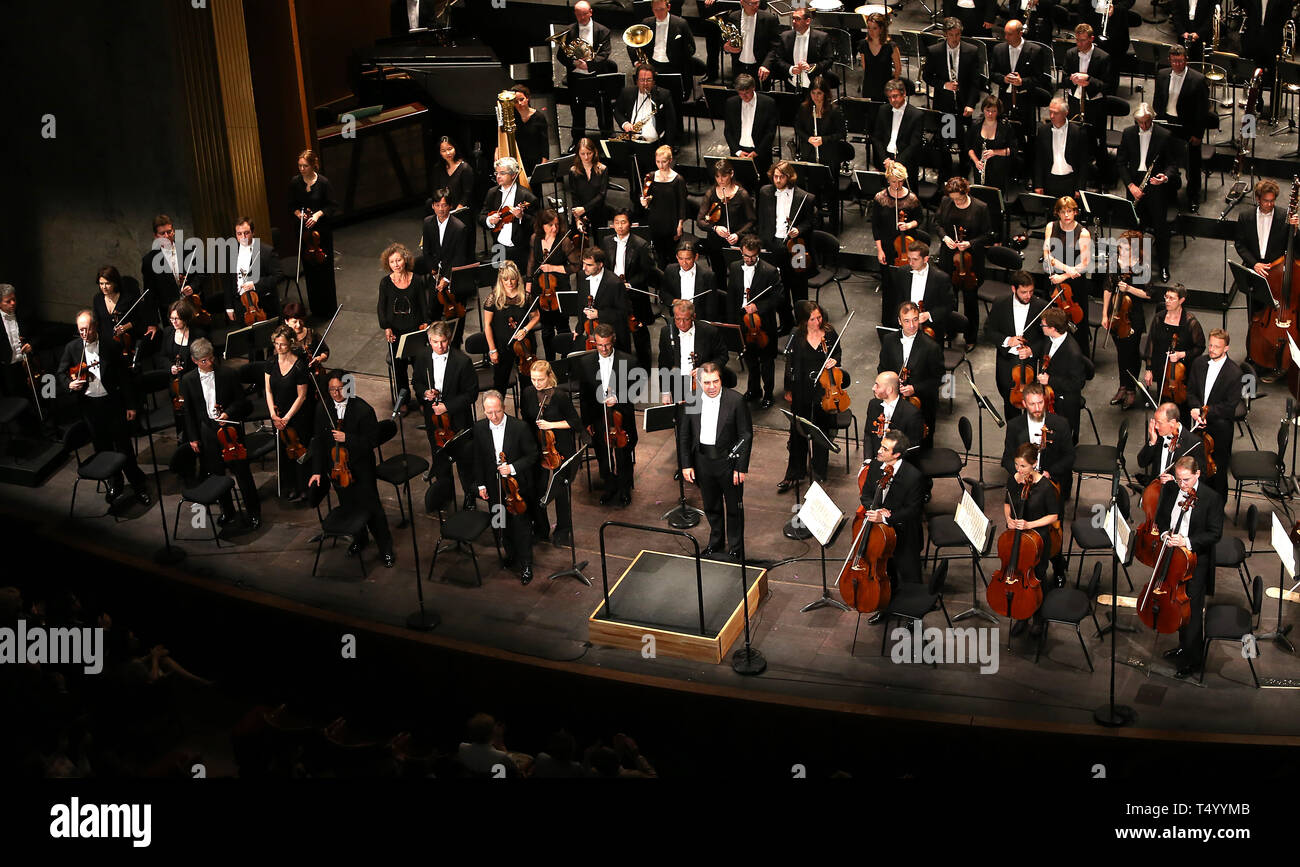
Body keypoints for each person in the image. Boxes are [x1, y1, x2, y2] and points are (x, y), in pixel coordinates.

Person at [58, 310, 151, 506]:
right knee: (103, 448)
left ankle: (138, 485)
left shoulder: (111, 345)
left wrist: (131, 405)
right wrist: (69, 384)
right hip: (91, 407)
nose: (83, 333)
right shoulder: (73, 348)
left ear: (95, 327)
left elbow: (125, 378)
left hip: (113, 403)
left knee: (124, 447)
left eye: (87, 329)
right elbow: (60, 373)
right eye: (80, 330)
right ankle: (114, 483)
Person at [308, 371, 395, 568]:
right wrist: (316, 471)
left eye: (339, 388)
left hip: (361, 468)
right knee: (348, 507)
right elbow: (319, 442)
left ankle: (385, 547)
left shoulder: (363, 410)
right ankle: (360, 539)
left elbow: (372, 441)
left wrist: (347, 438)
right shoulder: (323, 408)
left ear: (347, 387)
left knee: (373, 509)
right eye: (332, 389)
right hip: (337, 469)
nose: (336, 393)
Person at [178, 338, 260, 527]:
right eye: (204, 361)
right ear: (195, 360)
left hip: (230, 430)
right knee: (216, 473)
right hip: (208, 432)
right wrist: (193, 438)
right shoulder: (188, 380)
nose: (209, 363)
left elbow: (242, 402)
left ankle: (254, 512)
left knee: (242, 472)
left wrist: (228, 413)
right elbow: (188, 412)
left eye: (210, 358)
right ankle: (227, 510)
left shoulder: (228, 374)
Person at [1155, 457, 1223, 679]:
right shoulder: (1172, 489)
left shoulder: (1211, 498)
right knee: (1175, 603)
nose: (1182, 484)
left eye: (1186, 480)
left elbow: (1214, 533)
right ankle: (1183, 647)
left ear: (1197, 475)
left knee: (1191, 611)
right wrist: (1166, 534)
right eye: (1179, 479)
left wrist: (1186, 541)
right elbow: (1162, 517)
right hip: (1171, 556)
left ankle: (1194, 660)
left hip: (1195, 561)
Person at [678, 362, 752, 559]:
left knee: (734, 507)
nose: (711, 387)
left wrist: (740, 467)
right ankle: (716, 543)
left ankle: (736, 547)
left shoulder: (735, 400)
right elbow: (684, 436)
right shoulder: (692, 400)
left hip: (728, 462)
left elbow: (746, 435)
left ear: (721, 380)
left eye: (715, 382)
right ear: (699, 382)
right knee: (711, 506)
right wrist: (686, 464)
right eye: (707, 382)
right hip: (703, 462)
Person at [411, 320, 478, 511]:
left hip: (458, 420)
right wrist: (425, 393)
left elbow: (471, 394)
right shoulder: (423, 356)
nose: (439, 346)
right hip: (434, 421)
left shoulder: (462, 361)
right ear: (429, 341)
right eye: (435, 342)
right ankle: (444, 494)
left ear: (448, 339)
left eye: (443, 341)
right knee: (440, 458)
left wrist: (447, 406)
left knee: (465, 461)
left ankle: (470, 497)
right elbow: (417, 382)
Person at [473, 390, 538, 584]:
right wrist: (481, 484)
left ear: (504, 407)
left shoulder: (520, 428)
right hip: (493, 486)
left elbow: (532, 455)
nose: (493, 417)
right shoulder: (479, 428)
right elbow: (478, 458)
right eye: (489, 413)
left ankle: (526, 564)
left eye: (497, 412)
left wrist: (512, 468)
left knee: (521, 525)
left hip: (516, 487)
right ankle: (511, 555)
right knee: (500, 522)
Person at [1003, 441, 1066, 637]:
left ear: (1034, 464)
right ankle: (1022, 616)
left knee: (1036, 578)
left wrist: (1030, 525)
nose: (1019, 470)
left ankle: (1039, 618)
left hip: (1038, 538)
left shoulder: (1045, 487)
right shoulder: (1014, 480)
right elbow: (1007, 503)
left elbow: (1053, 516)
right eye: (1016, 465)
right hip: (1017, 536)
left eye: (1023, 466)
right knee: (1018, 573)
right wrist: (1009, 519)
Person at [780, 301, 842, 491]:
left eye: (819, 317)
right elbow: (790, 365)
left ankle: (819, 471)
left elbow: (838, 353)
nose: (817, 321)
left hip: (824, 390)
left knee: (821, 431)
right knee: (798, 432)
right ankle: (794, 474)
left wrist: (834, 360)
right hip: (801, 389)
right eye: (813, 319)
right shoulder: (797, 336)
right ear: (804, 321)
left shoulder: (830, 333)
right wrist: (788, 389)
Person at [520, 361, 584, 543]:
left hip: (560, 446)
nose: (536, 383)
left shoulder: (561, 397)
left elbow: (575, 422)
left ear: (549, 376)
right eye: (533, 379)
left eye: (540, 379)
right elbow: (526, 418)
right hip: (538, 446)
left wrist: (551, 425)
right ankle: (541, 528)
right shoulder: (528, 393)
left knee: (560, 489)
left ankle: (563, 530)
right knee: (537, 488)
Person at [577, 323, 639, 507]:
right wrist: (586, 421)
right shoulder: (586, 362)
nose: (603, 349)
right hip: (598, 414)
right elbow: (585, 395)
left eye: (607, 345)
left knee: (622, 453)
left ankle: (624, 488)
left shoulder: (629, 361)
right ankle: (609, 486)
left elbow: (636, 391)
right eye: (599, 345)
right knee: (603, 453)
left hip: (621, 415)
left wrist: (618, 398)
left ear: (613, 341)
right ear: (594, 342)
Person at [1117, 104, 1178, 282]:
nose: (1143, 126)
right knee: (1135, 229)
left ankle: (1164, 266)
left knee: (1160, 229)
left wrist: (1164, 178)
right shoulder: (1128, 133)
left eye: (1146, 122)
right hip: (1135, 185)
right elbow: (1121, 163)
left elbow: (1172, 165)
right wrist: (1130, 186)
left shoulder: (1164, 135)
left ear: (1152, 118)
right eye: (1140, 123)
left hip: (1155, 186)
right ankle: (1136, 266)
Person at [858, 430, 927, 588]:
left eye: (885, 449)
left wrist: (885, 517)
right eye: (881, 446)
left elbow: (913, 510)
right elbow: (866, 495)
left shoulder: (913, 476)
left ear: (896, 455)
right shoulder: (875, 465)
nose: (879, 451)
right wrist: (875, 509)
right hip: (879, 531)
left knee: (911, 579)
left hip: (904, 532)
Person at [935, 177, 993, 351]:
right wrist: (945, 237)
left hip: (971, 261)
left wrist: (970, 243)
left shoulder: (980, 208)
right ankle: (950, 331)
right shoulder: (946, 202)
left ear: (966, 192)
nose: (956, 201)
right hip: (949, 257)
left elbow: (988, 235)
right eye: (953, 198)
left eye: (959, 198)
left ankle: (970, 336)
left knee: (970, 300)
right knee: (949, 298)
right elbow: (937, 224)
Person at [757, 160, 817, 330]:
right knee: (779, 288)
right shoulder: (765, 192)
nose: (777, 180)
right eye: (775, 176)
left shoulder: (805, 197)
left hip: (797, 247)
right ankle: (785, 323)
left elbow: (811, 222)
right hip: (774, 245)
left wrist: (799, 229)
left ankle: (803, 324)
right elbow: (762, 220)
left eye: (781, 177)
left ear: (789, 177)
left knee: (799, 288)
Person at [1099, 230, 1152, 410]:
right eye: (1120, 246)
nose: (1121, 250)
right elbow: (1107, 287)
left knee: (1132, 353)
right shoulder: (1113, 262)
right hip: (1116, 313)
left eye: (1125, 247)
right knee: (1121, 353)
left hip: (1133, 315)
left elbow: (1148, 294)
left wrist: (1129, 288)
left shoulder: (1142, 265)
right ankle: (1122, 386)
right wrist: (1105, 314)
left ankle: (1131, 389)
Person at [879, 301, 943, 450]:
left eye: (915, 319)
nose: (912, 325)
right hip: (895, 402)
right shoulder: (889, 340)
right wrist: (891, 385)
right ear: (899, 321)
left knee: (920, 447)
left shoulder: (931, 347)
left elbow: (938, 378)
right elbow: (882, 368)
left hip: (922, 405)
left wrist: (915, 388)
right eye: (906, 321)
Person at [1187, 329, 1241, 502]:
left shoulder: (1234, 373)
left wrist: (1206, 413)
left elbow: (1229, 407)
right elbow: (1191, 391)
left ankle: (1218, 505)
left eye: (1217, 346)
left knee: (1217, 468)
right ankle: (1197, 501)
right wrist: (1195, 409)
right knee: (1197, 464)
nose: (1211, 349)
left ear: (1226, 348)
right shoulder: (1199, 363)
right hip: (1198, 423)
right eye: (1210, 345)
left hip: (1220, 428)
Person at [601, 208, 657, 373]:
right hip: (615, 292)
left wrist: (630, 283)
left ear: (630, 224)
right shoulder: (606, 241)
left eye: (623, 222)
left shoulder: (640, 244)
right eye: (616, 222)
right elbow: (606, 267)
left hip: (634, 293)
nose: (619, 226)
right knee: (617, 328)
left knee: (639, 331)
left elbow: (647, 272)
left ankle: (645, 367)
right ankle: (621, 366)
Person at [376, 243, 429, 416]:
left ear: (405, 260)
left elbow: (423, 305)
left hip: (414, 331)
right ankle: (403, 401)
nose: (396, 264)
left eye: (399, 260)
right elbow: (381, 308)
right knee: (399, 370)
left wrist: (425, 323)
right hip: (396, 333)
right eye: (392, 262)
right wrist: (386, 327)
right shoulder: (385, 283)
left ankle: (423, 399)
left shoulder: (417, 280)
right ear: (388, 264)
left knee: (419, 367)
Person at [1154, 46, 1209, 213]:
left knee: (1192, 165)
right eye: (1173, 61)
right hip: (1166, 122)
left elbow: (1202, 110)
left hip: (1188, 127)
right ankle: (1168, 193)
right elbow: (1157, 99)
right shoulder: (1162, 74)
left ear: (1186, 60)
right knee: (1165, 159)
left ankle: (1193, 197)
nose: (1177, 64)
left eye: (1180, 60)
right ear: (1169, 60)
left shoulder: (1198, 79)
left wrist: (1198, 134)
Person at [729, 235, 782, 409]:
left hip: (763, 325)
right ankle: (753, 390)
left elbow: (778, 298)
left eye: (752, 256)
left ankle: (768, 394)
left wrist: (758, 306)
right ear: (741, 252)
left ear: (758, 253)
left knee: (766, 362)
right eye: (746, 256)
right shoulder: (735, 267)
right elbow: (732, 297)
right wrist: (733, 323)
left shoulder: (769, 271)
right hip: (743, 322)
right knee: (750, 359)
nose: (749, 259)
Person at [988, 271, 1049, 419]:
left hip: (1030, 363)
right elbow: (989, 330)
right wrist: (1007, 341)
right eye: (1023, 292)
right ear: (1014, 289)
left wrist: (1031, 350)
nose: (1028, 296)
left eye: (1031, 292)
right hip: (1007, 360)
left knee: (1034, 405)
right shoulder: (1000, 303)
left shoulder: (1041, 306)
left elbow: (1047, 340)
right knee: (1010, 404)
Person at [264, 324, 314, 502]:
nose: (279, 347)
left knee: (300, 452)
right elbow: (268, 390)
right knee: (285, 453)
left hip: (296, 415)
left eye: (283, 344)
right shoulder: (270, 362)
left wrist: (286, 418)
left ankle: (305, 488)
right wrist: (273, 414)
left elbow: (302, 396)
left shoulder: (300, 366)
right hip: (278, 415)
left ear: (290, 343)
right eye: (276, 344)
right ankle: (291, 486)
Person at [1000, 383, 1075, 500]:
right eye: (1032, 404)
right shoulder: (1014, 425)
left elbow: (1069, 456)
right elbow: (1007, 458)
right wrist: (1019, 473)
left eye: (1040, 403)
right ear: (1024, 404)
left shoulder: (1061, 424)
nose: (1037, 408)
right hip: (1023, 481)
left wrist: (1050, 473)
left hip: (1052, 482)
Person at [558, 1, 617, 148]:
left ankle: (607, 138)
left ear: (590, 12)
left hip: (596, 76)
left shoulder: (603, 31)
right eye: (578, 14)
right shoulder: (569, 31)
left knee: (602, 109)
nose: (582, 17)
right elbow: (561, 55)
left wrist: (588, 64)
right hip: (576, 77)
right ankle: (577, 140)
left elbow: (604, 54)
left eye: (584, 14)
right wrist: (573, 63)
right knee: (577, 110)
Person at [289, 148, 340, 317]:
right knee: (310, 271)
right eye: (300, 166)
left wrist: (318, 214)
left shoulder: (324, 183)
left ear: (312, 166)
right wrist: (299, 214)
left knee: (324, 267)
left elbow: (332, 206)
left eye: (304, 166)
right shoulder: (295, 183)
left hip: (321, 233)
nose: (301, 169)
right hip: (304, 232)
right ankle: (316, 308)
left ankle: (329, 307)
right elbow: (292, 206)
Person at [1060, 24, 1113, 183]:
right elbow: (1062, 80)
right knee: (1075, 137)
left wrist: (1088, 80)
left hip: (1094, 105)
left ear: (1091, 39)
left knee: (1096, 139)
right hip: (1075, 101)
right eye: (1077, 40)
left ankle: (1101, 176)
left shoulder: (1103, 57)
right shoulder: (1070, 54)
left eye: (1083, 40)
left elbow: (1108, 86)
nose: (1079, 44)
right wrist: (1072, 80)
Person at [419, 189, 472, 347]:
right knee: (432, 311)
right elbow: (426, 251)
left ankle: (455, 344)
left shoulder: (459, 227)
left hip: (454, 277)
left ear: (450, 206)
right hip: (436, 275)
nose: (441, 209)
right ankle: (435, 344)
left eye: (444, 205)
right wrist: (433, 271)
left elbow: (460, 257)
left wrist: (447, 279)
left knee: (456, 314)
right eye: (437, 205)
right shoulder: (428, 222)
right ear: (433, 206)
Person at [527, 209, 581, 361]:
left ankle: (566, 360)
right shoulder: (535, 239)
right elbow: (531, 262)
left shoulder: (564, 241)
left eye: (557, 224)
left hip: (560, 288)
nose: (554, 228)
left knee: (563, 327)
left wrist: (553, 268)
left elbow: (577, 266)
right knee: (546, 329)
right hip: (541, 289)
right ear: (542, 225)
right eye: (550, 225)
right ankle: (550, 361)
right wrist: (528, 282)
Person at [1042, 195, 1092, 357]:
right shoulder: (1051, 226)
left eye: (1070, 211)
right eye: (1063, 212)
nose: (1067, 215)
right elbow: (1047, 255)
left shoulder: (1083, 233)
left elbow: (1084, 264)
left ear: (1075, 212)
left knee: (1077, 320)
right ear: (1057, 213)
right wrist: (1067, 269)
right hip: (1054, 278)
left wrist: (1064, 276)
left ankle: (1079, 358)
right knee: (1053, 319)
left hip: (1074, 283)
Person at [793, 77, 845, 228]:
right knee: (812, 191)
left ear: (825, 94)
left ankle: (834, 224)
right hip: (810, 154)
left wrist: (824, 139)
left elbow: (841, 134)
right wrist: (808, 138)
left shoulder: (834, 111)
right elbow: (798, 128)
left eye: (819, 93)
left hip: (829, 156)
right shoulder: (804, 108)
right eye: (813, 93)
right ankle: (815, 223)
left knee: (831, 192)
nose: (816, 96)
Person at [482, 261, 540, 394]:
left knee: (528, 383)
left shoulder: (525, 296)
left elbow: (536, 317)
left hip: (525, 344)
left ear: (518, 278)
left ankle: (529, 413)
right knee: (500, 383)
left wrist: (525, 329)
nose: (510, 282)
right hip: (502, 346)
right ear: (500, 280)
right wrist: (492, 350)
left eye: (513, 278)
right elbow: (487, 325)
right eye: (505, 279)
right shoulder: (493, 298)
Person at [1143, 284, 1205, 406]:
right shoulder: (1159, 318)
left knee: (1183, 406)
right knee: (1163, 405)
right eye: (1166, 297)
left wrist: (1182, 354)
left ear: (1181, 300)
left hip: (1183, 373)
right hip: (1163, 368)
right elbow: (1151, 343)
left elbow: (1200, 347)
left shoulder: (1190, 322)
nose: (1167, 301)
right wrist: (1149, 369)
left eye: (1172, 298)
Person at [658, 299, 729, 403]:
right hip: (678, 384)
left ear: (693, 317)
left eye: (686, 319)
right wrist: (665, 391)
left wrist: (706, 369)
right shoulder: (666, 332)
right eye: (677, 319)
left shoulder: (709, 332)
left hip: (704, 383)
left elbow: (723, 356)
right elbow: (663, 363)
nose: (681, 324)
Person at [697, 159, 756, 281]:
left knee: (739, 277)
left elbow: (752, 221)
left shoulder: (742, 194)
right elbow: (700, 221)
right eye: (717, 177)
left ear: (731, 174)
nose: (720, 180)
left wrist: (737, 235)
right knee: (718, 275)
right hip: (716, 241)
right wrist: (715, 228)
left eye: (724, 176)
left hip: (735, 242)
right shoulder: (711, 193)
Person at [990, 20, 1049, 141]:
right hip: (1005, 98)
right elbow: (992, 73)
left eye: (1010, 34)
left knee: (1026, 134)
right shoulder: (998, 49)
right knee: (1004, 133)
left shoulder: (1035, 50)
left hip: (1026, 98)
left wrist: (1022, 82)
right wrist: (1004, 79)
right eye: (1005, 33)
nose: (1006, 37)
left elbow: (1040, 78)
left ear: (1020, 33)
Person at [481, 157, 539, 275]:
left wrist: (521, 216)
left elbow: (536, 223)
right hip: (498, 247)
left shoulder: (527, 196)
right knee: (499, 280)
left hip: (519, 249)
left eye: (502, 173)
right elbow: (481, 216)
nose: (498, 176)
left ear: (513, 175)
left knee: (519, 280)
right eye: (496, 173)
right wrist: (489, 220)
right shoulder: (492, 193)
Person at [1037, 307, 1086, 446]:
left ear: (1053, 328)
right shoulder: (1050, 338)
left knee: (1060, 440)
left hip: (1064, 403)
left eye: (1043, 325)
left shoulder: (1072, 352)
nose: (1041, 327)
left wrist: (1050, 380)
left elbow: (1078, 384)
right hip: (1050, 395)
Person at [889, 240, 954, 344]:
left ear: (926, 259)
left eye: (915, 259)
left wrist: (929, 314)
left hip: (931, 328)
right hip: (905, 326)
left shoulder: (941, 278)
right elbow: (897, 300)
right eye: (909, 258)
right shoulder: (902, 272)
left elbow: (949, 305)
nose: (910, 263)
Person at [872, 163, 921, 299]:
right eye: (894, 181)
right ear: (888, 180)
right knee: (888, 282)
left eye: (900, 181)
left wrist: (909, 225)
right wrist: (879, 250)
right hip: (887, 245)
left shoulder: (911, 198)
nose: (897, 185)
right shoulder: (880, 198)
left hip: (907, 245)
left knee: (907, 283)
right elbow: (875, 226)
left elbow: (919, 219)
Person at [1235, 179, 1300, 279]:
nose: (1269, 204)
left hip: (1277, 269)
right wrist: (1254, 264)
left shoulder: (1284, 216)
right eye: (1266, 201)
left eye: (1272, 200)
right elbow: (1240, 244)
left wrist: (1295, 229)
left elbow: (1295, 244)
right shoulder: (1245, 217)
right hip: (1254, 268)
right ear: (1258, 198)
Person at [223, 217, 284, 324]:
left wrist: (255, 284)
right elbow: (228, 280)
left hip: (263, 304)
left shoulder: (266, 251)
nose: (243, 237)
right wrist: (229, 307)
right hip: (241, 305)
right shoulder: (230, 252)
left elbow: (279, 275)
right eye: (239, 234)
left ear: (253, 232)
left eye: (246, 233)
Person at [639, 144, 689, 269]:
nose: (660, 165)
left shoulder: (678, 180)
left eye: (664, 162)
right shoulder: (650, 177)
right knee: (659, 256)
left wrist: (680, 224)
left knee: (672, 256)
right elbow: (646, 196)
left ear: (670, 161)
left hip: (671, 222)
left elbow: (682, 204)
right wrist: (644, 202)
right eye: (658, 162)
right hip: (655, 221)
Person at [92, 266, 153, 365]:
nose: (104, 287)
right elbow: (97, 321)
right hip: (105, 344)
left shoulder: (128, 299)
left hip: (125, 344)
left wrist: (125, 327)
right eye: (101, 283)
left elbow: (139, 320)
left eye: (107, 283)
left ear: (115, 283)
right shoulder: (97, 299)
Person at [764, 5, 834, 92]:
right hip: (791, 83)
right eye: (793, 18)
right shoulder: (785, 36)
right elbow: (778, 59)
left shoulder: (822, 37)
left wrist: (811, 67)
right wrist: (791, 69)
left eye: (797, 19)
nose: (794, 21)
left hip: (814, 85)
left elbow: (829, 60)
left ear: (808, 21)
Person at [924, 18, 981, 121]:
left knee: (962, 135)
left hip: (964, 103)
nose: (955, 38)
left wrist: (971, 104)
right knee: (947, 134)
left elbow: (975, 81)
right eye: (951, 35)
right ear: (945, 34)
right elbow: (927, 76)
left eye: (957, 34)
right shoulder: (934, 51)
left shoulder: (972, 51)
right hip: (943, 103)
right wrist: (945, 85)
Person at [1033, 97, 1089, 198]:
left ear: (1065, 113)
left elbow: (1083, 163)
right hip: (1049, 181)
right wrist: (1038, 184)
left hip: (1070, 181)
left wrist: (1079, 188)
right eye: (1050, 112)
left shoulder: (1078, 132)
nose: (1051, 116)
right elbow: (1039, 160)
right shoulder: (1043, 131)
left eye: (1056, 113)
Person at [724, 74, 777, 180]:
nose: (744, 97)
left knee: (762, 186)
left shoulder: (768, 103)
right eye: (741, 93)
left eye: (747, 93)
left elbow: (770, 132)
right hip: (739, 153)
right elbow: (728, 131)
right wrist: (738, 152)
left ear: (753, 87)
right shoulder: (731, 103)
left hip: (760, 153)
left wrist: (757, 152)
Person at [636, 0, 696, 92]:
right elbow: (633, 45)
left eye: (662, 9)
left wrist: (680, 55)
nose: (659, 13)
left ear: (668, 7)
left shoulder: (681, 23)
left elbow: (692, 48)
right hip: (652, 64)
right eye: (656, 10)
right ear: (652, 9)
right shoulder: (646, 23)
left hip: (674, 65)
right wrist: (637, 62)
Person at [614, 64, 678, 149]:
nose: (645, 84)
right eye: (642, 80)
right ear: (636, 81)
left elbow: (671, 123)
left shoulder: (664, 95)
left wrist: (668, 146)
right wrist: (625, 124)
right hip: (632, 141)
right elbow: (617, 111)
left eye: (648, 80)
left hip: (655, 144)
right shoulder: (627, 92)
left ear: (654, 81)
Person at [578, 248, 629, 351]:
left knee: (620, 366)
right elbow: (580, 303)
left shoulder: (615, 283)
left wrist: (599, 314)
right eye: (583, 263)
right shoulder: (582, 276)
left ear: (600, 265)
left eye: (589, 265)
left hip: (613, 335)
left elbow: (623, 313)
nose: (584, 268)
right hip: (592, 333)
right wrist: (578, 329)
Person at [864, 371, 924, 459]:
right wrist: (868, 460)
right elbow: (868, 435)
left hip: (897, 462)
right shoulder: (873, 404)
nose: (873, 388)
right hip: (875, 458)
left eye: (877, 385)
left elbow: (913, 447)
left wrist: (890, 459)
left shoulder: (912, 413)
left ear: (889, 390)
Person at [1136, 401, 1197, 487]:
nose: (1156, 426)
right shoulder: (1158, 434)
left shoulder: (1193, 442)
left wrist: (1176, 480)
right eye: (1155, 422)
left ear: (1172, 423)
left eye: (1159, 423)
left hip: (1177, 492)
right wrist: (1152, 442)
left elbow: (1200, 476)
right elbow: (1142, 462)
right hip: (1156, 488)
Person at [659, 242, 720, 323]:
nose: (684, 263)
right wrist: (674, 301)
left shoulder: (708, 276)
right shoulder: (670, 270)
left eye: (688, 259)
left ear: (696, 257)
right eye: (680, 259)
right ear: (677, 257)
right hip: (676, 317)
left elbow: (711, 306)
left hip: (698, 319)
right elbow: (663, 293)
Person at [965, 96, 1016, 192]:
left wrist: (994, 152)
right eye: (987, 110)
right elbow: (969, 147)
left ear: (998, 112)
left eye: (994, 111)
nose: (990, 114)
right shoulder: (976, 125)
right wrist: (976, 162)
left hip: (999, 170)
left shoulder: (1005, 127)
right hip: (980, 169)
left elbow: (1013, 150)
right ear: (983, 109)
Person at [871, 79, 923, 171]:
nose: (892, 100)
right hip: (885, 160)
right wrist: (885, 159)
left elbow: (914, 144)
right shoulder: (883, 110)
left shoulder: (916, 115)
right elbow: (877, 137)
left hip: (905, 162)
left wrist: (897, 163)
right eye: (889, 97)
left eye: (895, 96)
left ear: (904, 94)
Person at [724, 0, 780, 85]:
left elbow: (775, 46)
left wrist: (766, 65)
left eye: (757, 2)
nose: (756, 6)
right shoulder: (733, 17)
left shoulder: (769, 19)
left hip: (760, 68)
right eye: (752, 4)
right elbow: (726, 40)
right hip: (738, 67)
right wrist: (727, 47)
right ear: (742, 2)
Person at [0, 285, 37, 402]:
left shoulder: (24, 314)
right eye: (8, 301)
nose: (13, 303)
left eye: (14, 299)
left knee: (31, 396)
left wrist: (31, 345)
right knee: (13, 399)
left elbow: (38, 335)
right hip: (6, 368)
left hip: (26, 365)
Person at [565, 137, 610, 232]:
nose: (586, 157)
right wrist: (577, 218)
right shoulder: (573, 171)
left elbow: (602, 194)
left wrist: (585, 209)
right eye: (582, 154)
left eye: (589, 153)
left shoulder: (602, 169)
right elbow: (574, 196)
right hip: (579, 211)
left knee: (600, 243)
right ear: (578, 154)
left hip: (598, 211)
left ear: (594, 152)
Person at [857, 12, 902, 102]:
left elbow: (898, 69)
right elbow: (865, 67)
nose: (871, 31)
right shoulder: (863, 44)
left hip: (886, 88)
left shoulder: (891, 46)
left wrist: (892, 86)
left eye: (874, 28)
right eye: (869, 28)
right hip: (869, 87)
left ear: (881, 29)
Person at [1079, 0, 1133, 73]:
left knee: (1112, 68)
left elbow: (1128, 2)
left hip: (1116, 31)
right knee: (1091, 68)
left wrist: (1115, 8)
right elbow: (1085, 5)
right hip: (1093, 25)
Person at [429, 136, 475, 219]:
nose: (448, 153)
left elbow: (467, 193)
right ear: (440, 153)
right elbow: (436, 190)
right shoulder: (438, 168)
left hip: (461, 210)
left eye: (450, 149)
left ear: (455, 148)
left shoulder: (465, 168)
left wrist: (457, 211)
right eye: (443, 151)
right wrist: (440, 209)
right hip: (443, 209)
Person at [509, 85, 549, 177]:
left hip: (534, 159)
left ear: (527, 98)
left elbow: (544, 142)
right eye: (515, 101)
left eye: (521, 99)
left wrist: (543, 162)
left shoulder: (539, 117)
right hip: (518, 160)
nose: (519, 103)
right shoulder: (511, 118)